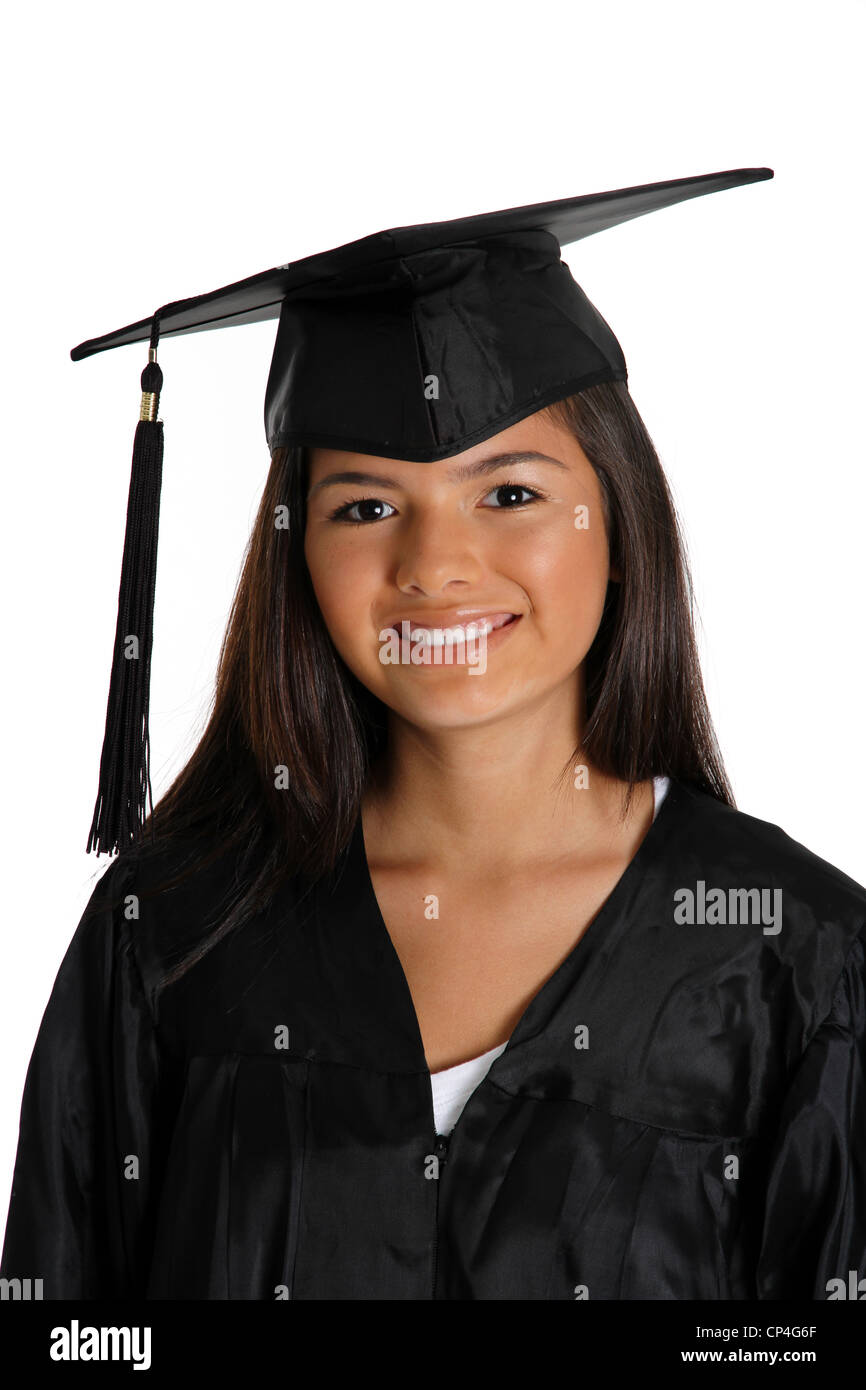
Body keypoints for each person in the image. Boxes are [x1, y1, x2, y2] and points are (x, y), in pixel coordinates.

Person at [2, 170, 863, 1300]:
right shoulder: (173, 929)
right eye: (362, 506)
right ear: (294, 551)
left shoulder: (794, 958)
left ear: (616, 515)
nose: (434, 567)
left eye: (507, 492)